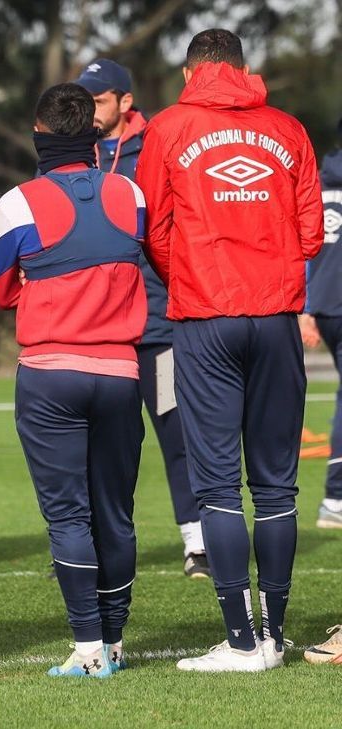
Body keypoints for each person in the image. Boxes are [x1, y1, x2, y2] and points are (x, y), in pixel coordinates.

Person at [136, 28, 323, 672]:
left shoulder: (166, 128)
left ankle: (243, 641)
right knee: (276, 487)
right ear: (244, 68)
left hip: (203, 318)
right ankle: (275, 635)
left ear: (191, 71)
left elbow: (152, 228)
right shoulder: (289, 129)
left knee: (216, 485)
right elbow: (310, 233)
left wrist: (190, 272)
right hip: (275, 319)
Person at [0, 82, 147, 678]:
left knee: (68, 516)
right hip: (119, 373)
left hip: (51, 374)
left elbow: (5, 289)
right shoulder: (129, 192)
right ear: (95, 132)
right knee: (116, 513)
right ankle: (113, 644)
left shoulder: (18, 201)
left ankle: (87, 652)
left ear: (40, 131)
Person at [74, 58, 209, 579]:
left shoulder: (160, 145)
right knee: (98, 446)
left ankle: (197, 544)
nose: (90, 110)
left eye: (99, 100)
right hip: (101, 331)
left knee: (179, 435)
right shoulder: (74, 151)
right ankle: (89, 546)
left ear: (125, 102)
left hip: (158, 326)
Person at [304, 121, 342, 529]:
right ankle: (335, 498)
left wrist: (306, 307)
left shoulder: (315, 181)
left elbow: (300, 245)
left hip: (325, 307)